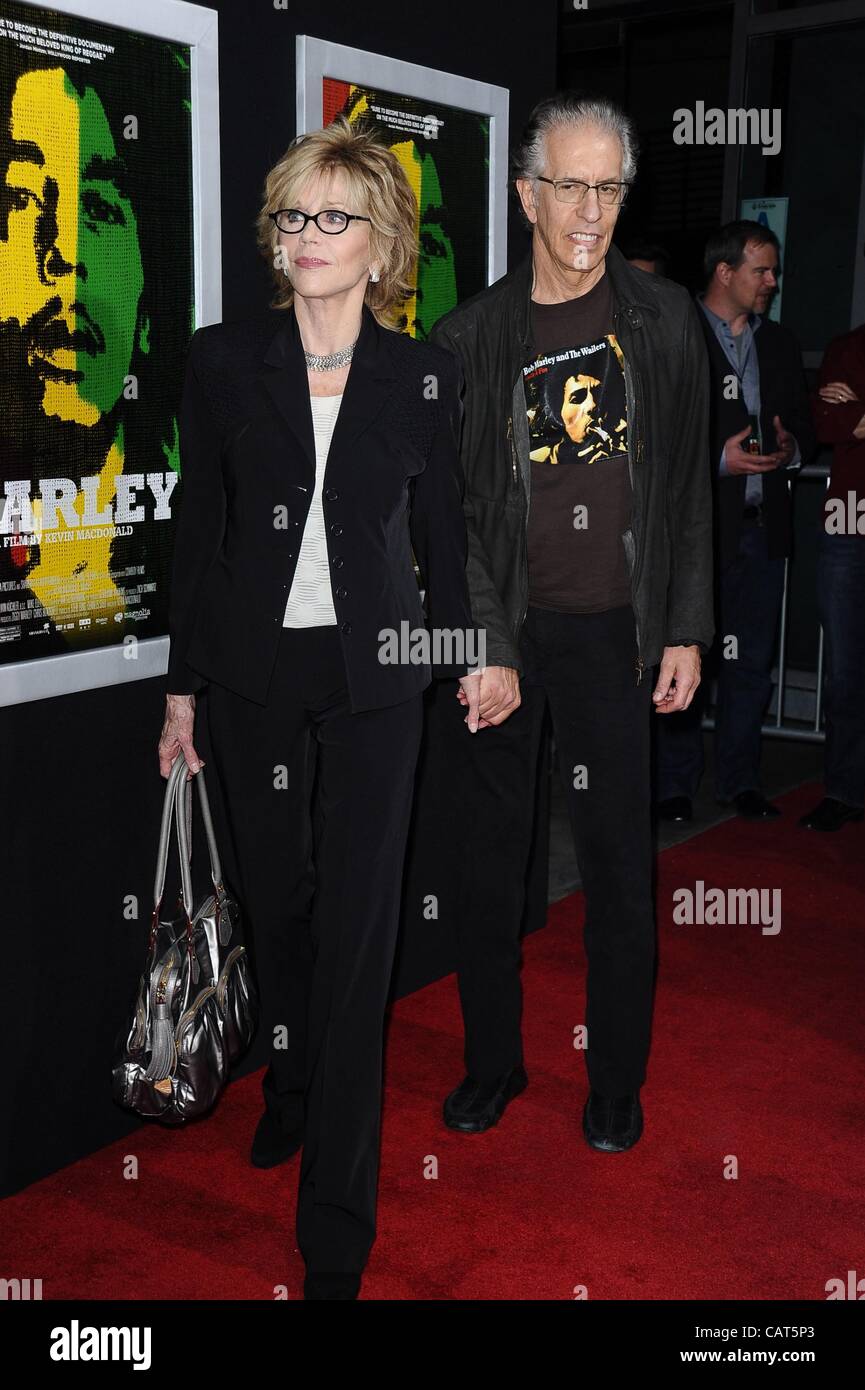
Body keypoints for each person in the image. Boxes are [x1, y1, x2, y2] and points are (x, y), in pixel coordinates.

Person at [157, 116, 479, 1299]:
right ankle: (287, 1077)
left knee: (357, 937)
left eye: (333, 216)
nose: (307, 235)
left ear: (382, 243)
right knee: (280, 908)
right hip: (252, 677)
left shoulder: (421, 372)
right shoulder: (220, 358)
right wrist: (181, 691)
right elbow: (201, 535)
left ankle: (335, 1217)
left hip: (380, 678)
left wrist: (470, 659)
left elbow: (448, 536)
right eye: (293, 214)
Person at [429, 93, 713, 1153]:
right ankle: (493, 1064)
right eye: (569, 185)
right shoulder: (469, 338)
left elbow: (687, 484)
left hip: (613, 634)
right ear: (524, 196)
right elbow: (452, 517)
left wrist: (683, 625)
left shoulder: (663, 319)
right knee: (488, 865)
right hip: (512, 635)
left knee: (617, 869)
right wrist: (487, 646)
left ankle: (616, 1080)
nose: (590, 209)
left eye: (608, 186)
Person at [655, 221, 815, 824]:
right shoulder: (676, 334)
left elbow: (805, 426)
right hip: (696, 535)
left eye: (772, 271)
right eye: (761, 271)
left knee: (750, 663)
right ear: (725, 273)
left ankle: (740, 782)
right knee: (683, 656)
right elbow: (651, 442)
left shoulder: (779, 342)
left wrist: (788, 448)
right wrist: (720, 460)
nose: (771, 281)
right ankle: (673, 786)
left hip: (762, 529)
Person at [798, 322, 865, 831]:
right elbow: (825, 423)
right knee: (845, 670)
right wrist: (848, 417)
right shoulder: (848, 347)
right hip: (848, 526)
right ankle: (844, 789)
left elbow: (850, 419)